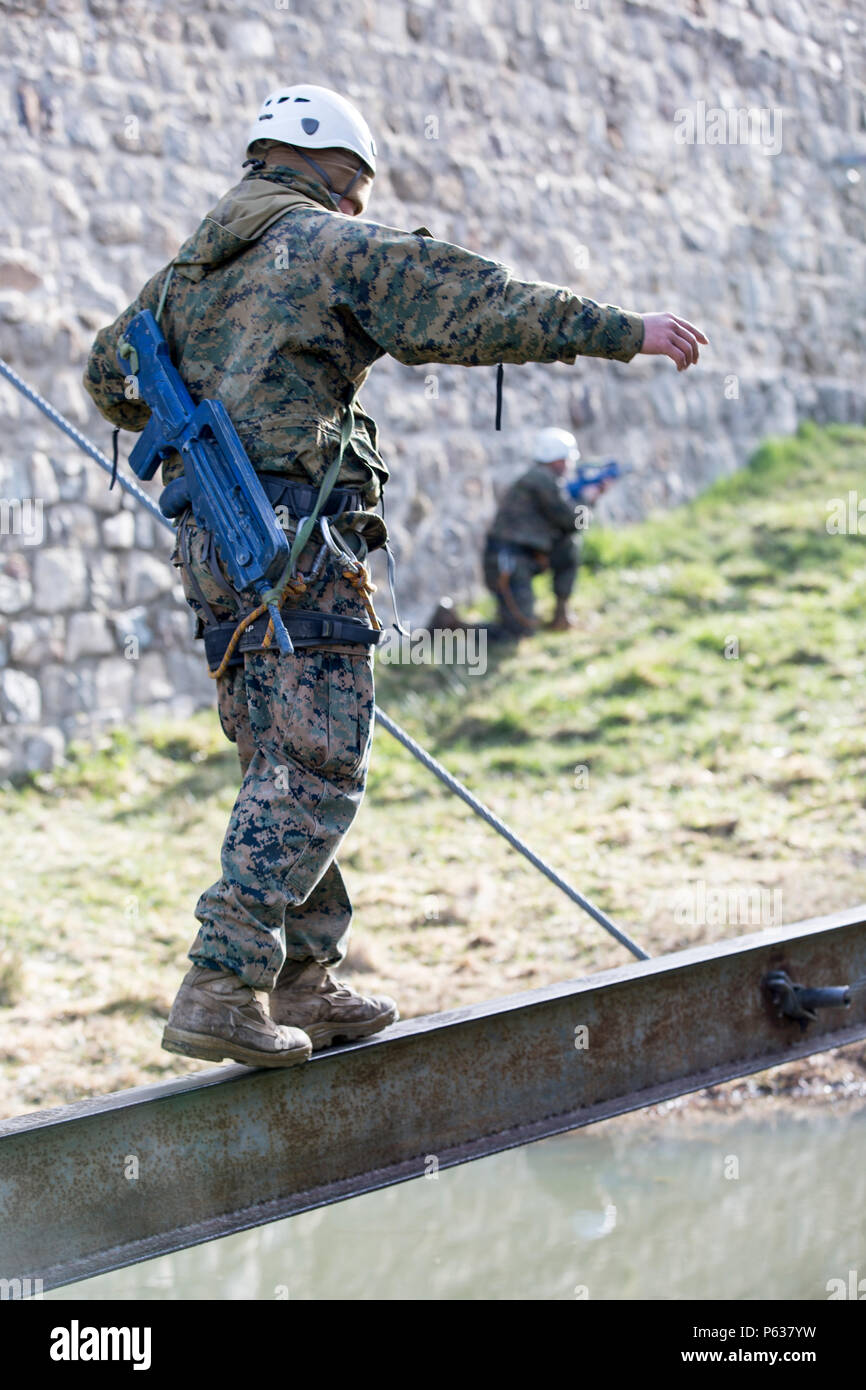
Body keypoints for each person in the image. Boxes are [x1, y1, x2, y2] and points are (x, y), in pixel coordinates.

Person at [83, 83, 708, 1069]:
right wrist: (622, 329)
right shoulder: (331, 246)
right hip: (297, 542)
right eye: (353, 191)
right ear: (330, 173)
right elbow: (469, 303)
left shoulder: (180, 279)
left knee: (275, 759)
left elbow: (106, 374)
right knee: (320, 760)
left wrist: (203, 412)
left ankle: (302, 978)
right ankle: (222, 976)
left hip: (214, 547)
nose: (356, 209)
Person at [481, 426, 597, 638]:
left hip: (524, 559)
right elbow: (574, 521)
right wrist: (588, 499)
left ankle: (561, 614)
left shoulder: (543, 479)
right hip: (508, 563)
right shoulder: (540, 480)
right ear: (558, 460)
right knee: (517, 633)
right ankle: (451, 627)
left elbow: (569, 527)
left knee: (569, 546)